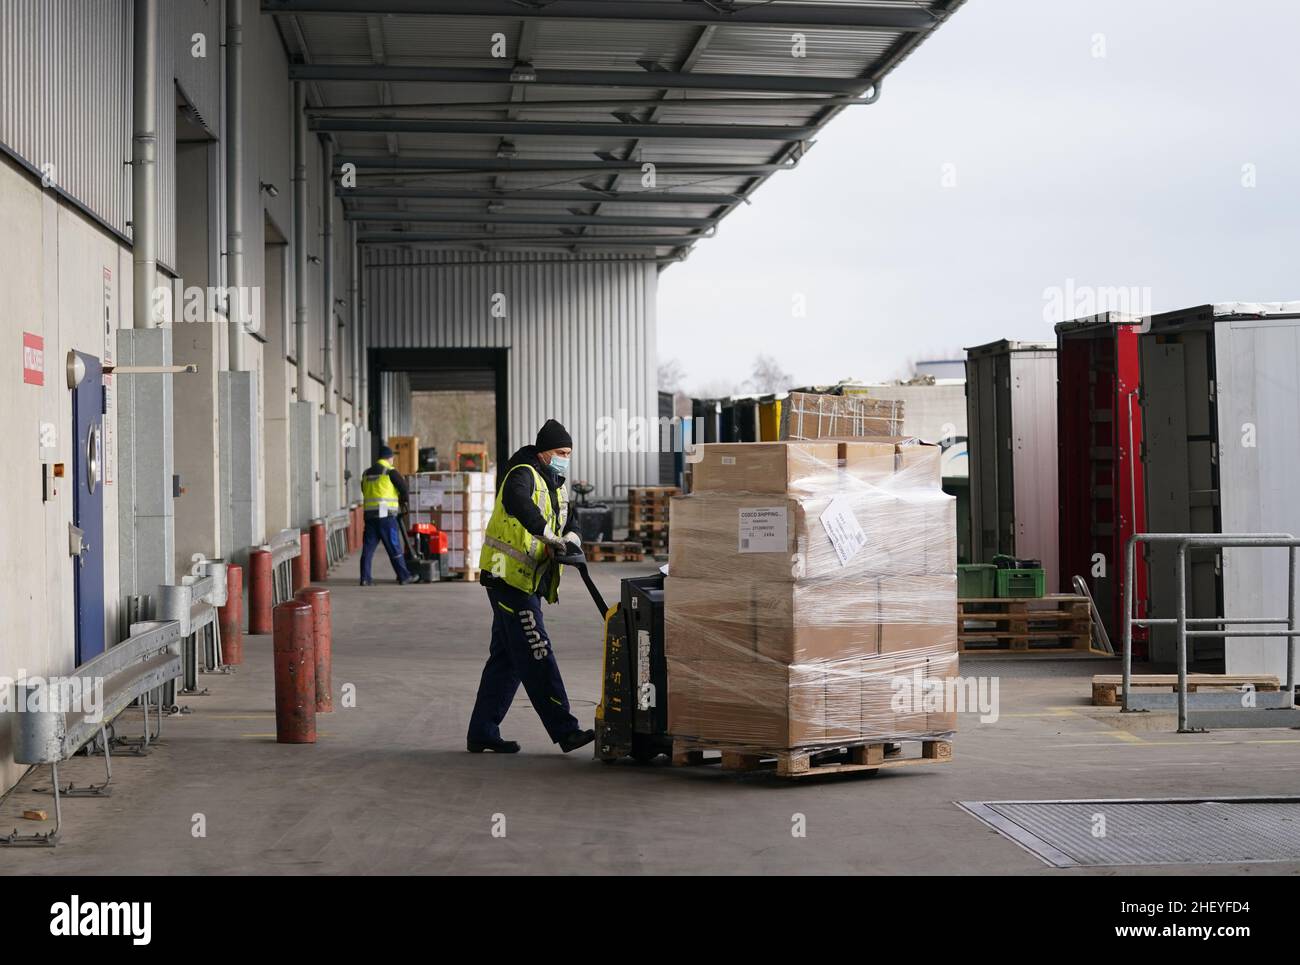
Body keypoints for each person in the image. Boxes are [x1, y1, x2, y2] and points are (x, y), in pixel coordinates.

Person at [466, 419, 595, 754]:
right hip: (506, 578)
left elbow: (572, 519)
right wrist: (545, 533)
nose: (566, 457)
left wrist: (571, 538)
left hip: (527, 581)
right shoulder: (521, 473)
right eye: (561, 452)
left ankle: (482, 731)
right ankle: (566, 730)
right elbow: (517, 502)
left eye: (569, 452)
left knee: (507, 658)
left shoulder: (557, 483)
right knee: (537, 650)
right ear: (544, 452)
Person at [359, 444, 414, 586]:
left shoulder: (366, 473)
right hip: (386, 516)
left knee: (368, 549)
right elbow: (404, 489)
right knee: (393, 546)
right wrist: (403, 501)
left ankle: (365, 578)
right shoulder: (390, 472)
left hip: (370, 516)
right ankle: (404, 576)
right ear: (390, 458)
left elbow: (364, 490)